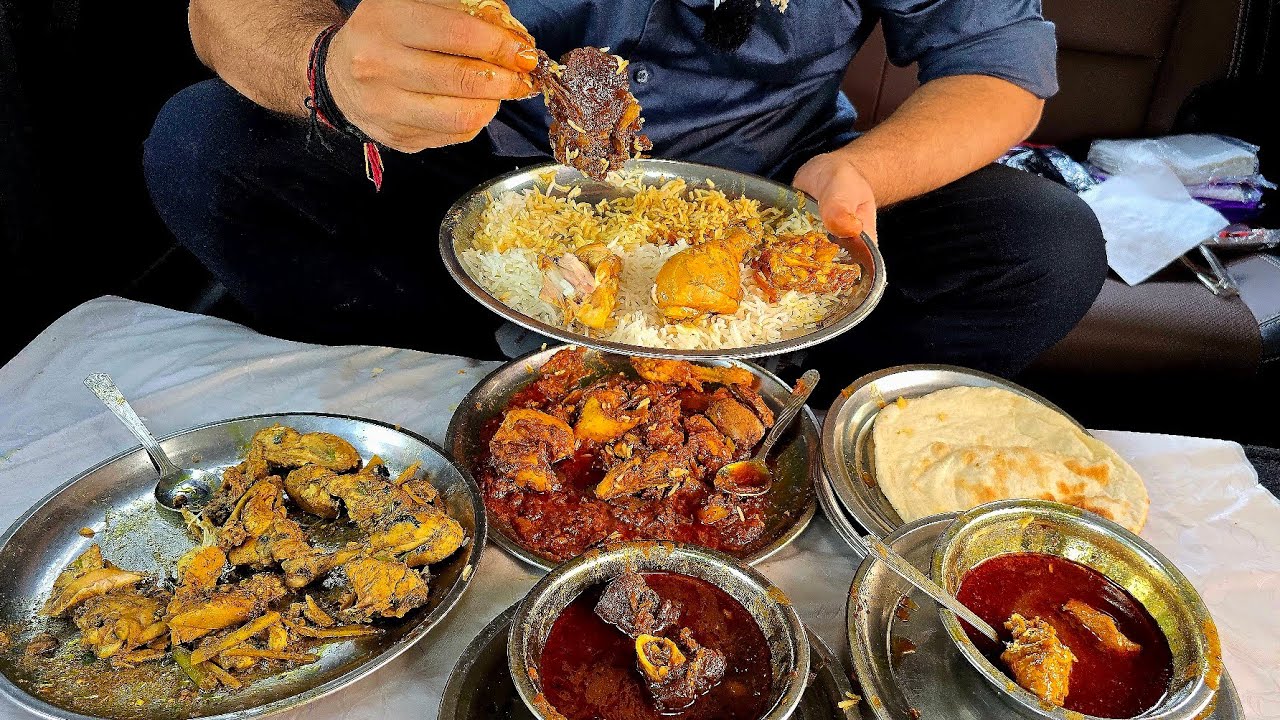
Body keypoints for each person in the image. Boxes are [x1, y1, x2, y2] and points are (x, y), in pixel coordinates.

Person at [145, 0, 1106, 380]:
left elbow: (998, 71)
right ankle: (475, 382)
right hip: (473, 168)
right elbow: (230, 10)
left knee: (1044, 245)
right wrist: (329, 67)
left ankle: (752, 402)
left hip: (770, 190)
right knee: (207, 146)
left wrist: (865, 176)